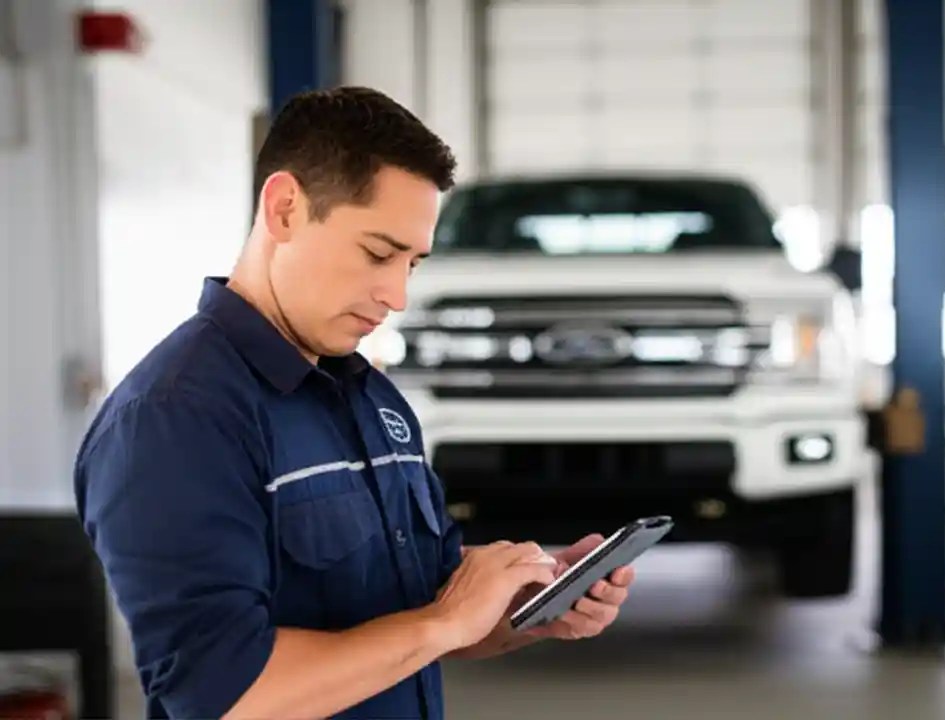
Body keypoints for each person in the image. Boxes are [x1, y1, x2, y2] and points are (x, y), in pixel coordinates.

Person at [74, 86, 635, 719]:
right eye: (377, 253)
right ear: (285, 208)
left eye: (413, 264)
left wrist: (530, 604)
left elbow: (418, 608)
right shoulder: (175, 418)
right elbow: (221, 696)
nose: (396, 295)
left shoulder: (371, 399)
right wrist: (446, 622)